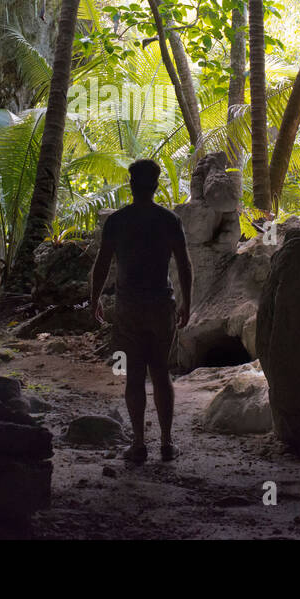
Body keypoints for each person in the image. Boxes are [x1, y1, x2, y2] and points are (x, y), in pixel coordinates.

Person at [89, 158, 192, 464]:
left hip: (129, 308)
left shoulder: (117, 222)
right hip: (161, 306)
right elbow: (184, 266)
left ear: (131, 185)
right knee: (161, 373)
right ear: (156, 185)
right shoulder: (169, 220)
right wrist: (188, 302)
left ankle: (138, 444)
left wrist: (93, 299)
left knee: (134, 375)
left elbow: (102, 264)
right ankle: (167, 443)